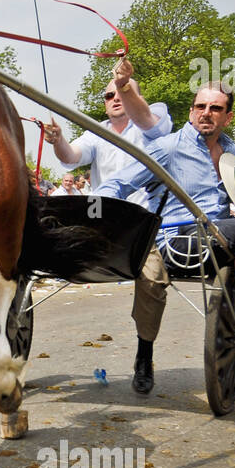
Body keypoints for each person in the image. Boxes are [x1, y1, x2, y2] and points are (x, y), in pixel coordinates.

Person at [97, 81, 235, 396]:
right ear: (191, 112)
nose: (206, 114)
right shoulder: (168, 147)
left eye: (215, 108)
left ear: (227, 117)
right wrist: (96, 214)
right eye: (200, 107)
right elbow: (118, 184)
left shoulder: (232, 150)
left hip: (225, 233)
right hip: (180, 237)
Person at [44, 59, 172, 395]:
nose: (114, 98)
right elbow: (71, 157)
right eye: (108, 95)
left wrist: (125, 84)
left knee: (154, 282)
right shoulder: (96, 132)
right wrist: (57, 140)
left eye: (120, 92)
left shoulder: (153, 121)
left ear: (133, 91)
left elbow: (145, 117)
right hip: (101, 225)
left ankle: (144, 355)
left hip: (141, 229)